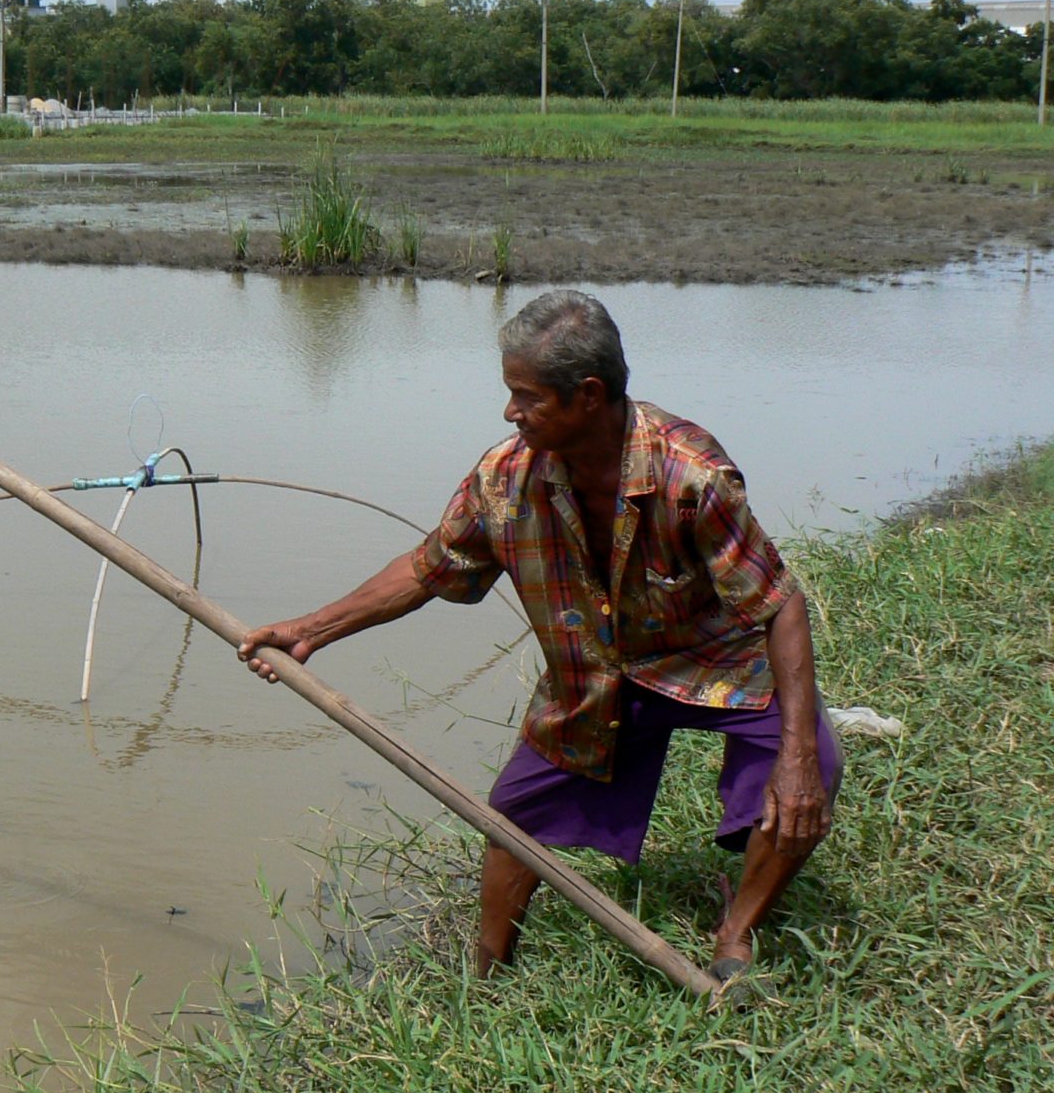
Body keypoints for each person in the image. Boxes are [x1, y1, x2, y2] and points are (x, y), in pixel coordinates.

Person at [237, 290, 838, 980]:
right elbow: (429, 568)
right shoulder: (506, 476)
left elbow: (779, 603)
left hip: (715, 663)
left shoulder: (691, 475)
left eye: (525, 396)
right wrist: (310, 631)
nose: (509, 412)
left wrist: (794, 752)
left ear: (587, 395)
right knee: (511, 820)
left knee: (809, 764)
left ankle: (736, 934)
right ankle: (487, 974)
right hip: (594, 679)